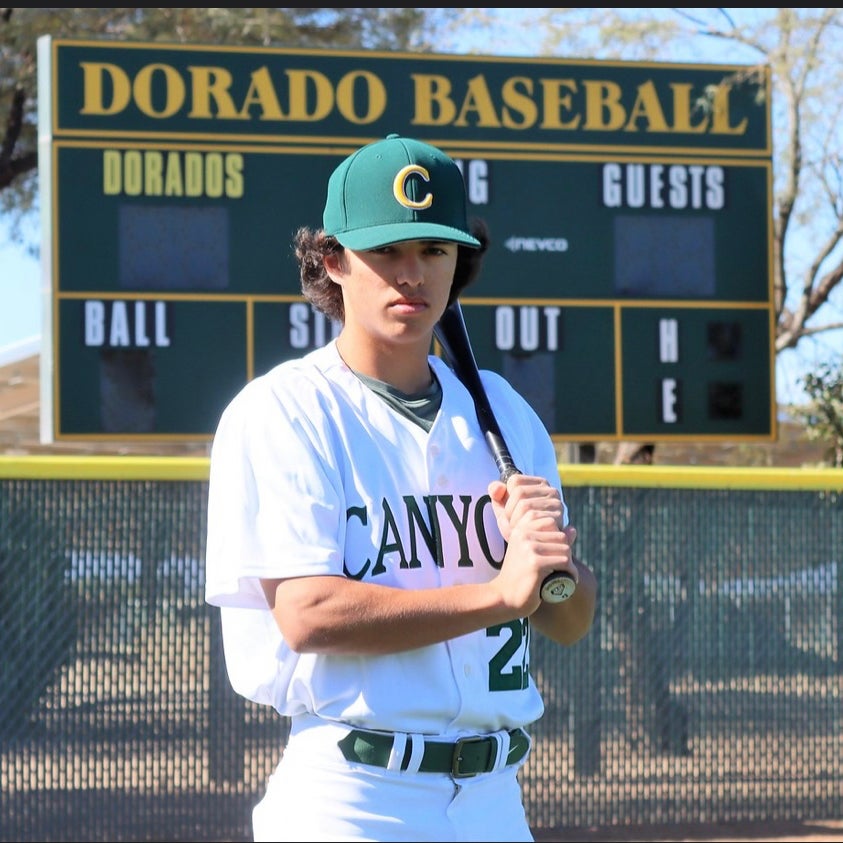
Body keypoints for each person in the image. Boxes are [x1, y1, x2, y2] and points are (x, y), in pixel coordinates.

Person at [204, 133, 597, 843]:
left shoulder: (504, 412)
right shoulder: (285, 410)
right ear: (333, 261)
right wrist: (501, 594)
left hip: (495, 800)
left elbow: (569, 622)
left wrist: (552, 566)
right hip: (354, 797)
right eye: (385, 251)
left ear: (457, 263)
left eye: (433, 249)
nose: (411, 274)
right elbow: (308, 613)